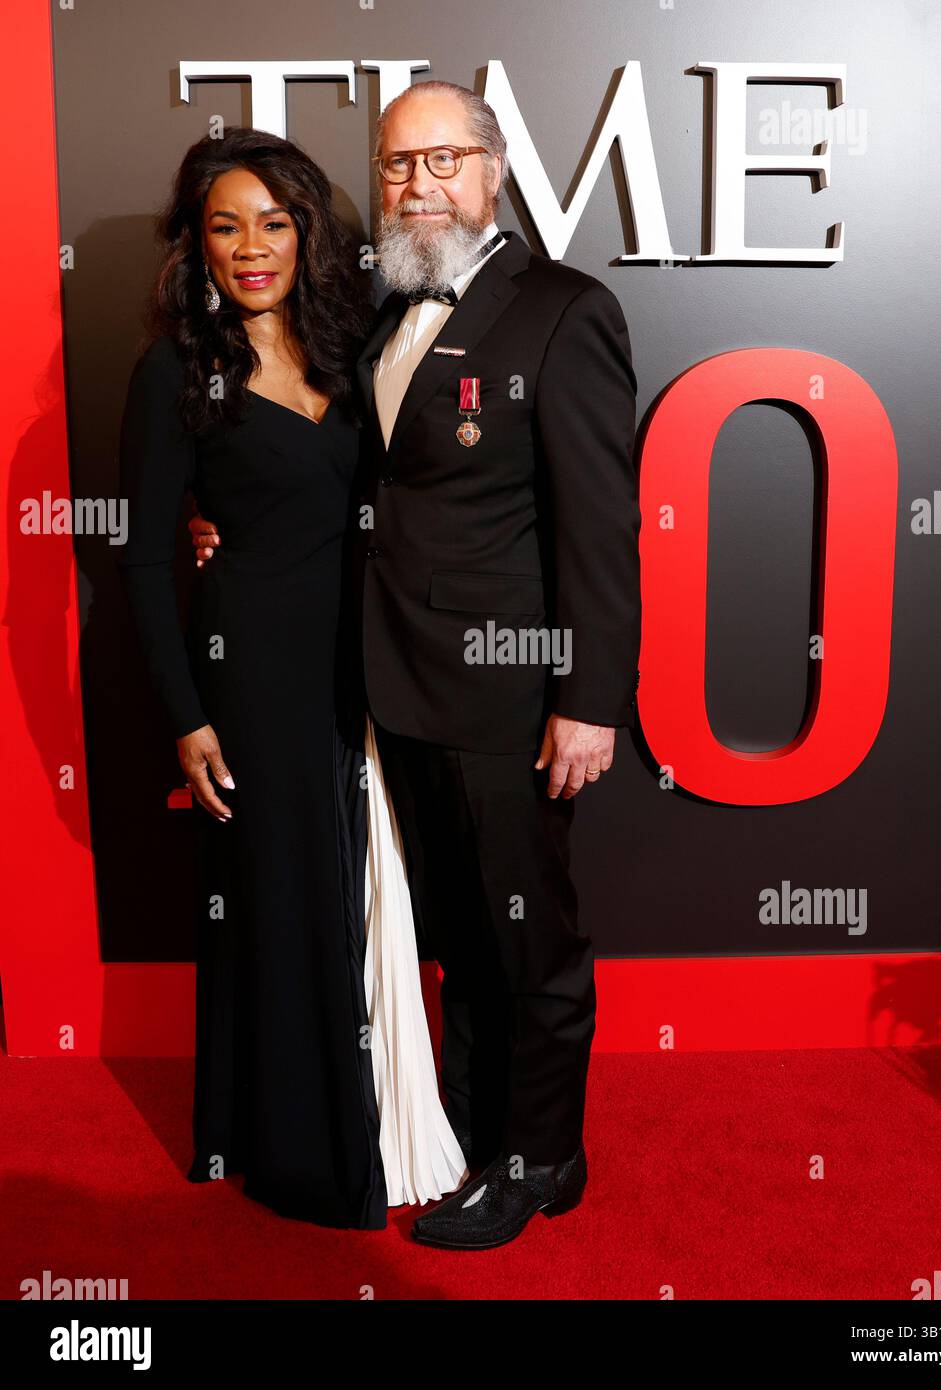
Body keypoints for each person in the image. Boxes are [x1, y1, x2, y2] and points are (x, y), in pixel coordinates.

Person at [193, 82, 642, 1250]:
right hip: (397, 687)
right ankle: (493, 1132)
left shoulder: (561, 309)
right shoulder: (383, 308)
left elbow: (599, 527)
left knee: (530, 937)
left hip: (509, 691)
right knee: (462, 933)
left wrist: (588, 700)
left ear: (493, 170)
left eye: (443, 159)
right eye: (396, 164)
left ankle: (536, 1158)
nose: (416, 183)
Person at [118, 126, 466, 1231]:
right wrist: (186, 718)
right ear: (197, 245)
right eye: (225, 226)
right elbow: (137, 556)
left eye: (274, 222)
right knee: (286, 905)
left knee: (373, 891)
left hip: (369, 667)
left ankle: (393, 1116)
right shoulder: (174, 370)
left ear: (307, 231)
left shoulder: (354, 340)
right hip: (252, 681)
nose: (251, 247)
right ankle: (305, 1151)